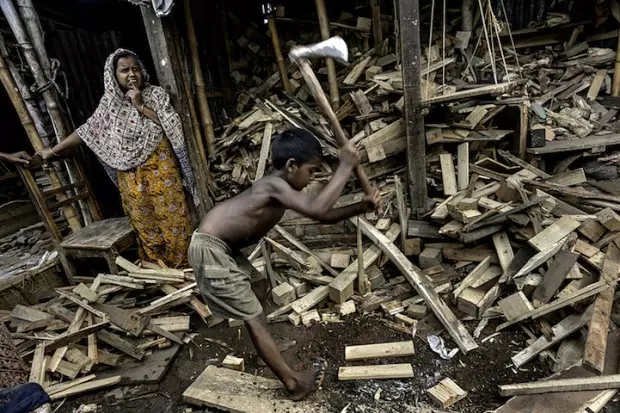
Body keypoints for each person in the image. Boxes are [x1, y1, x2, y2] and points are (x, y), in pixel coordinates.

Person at [188, 128, 381, 400]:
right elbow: (318, 209)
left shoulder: (282, 189)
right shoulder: (273, 185)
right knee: (253, 315)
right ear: (291, 166)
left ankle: (263, 346)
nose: (312, 178)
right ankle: (293, 383)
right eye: (311, 171)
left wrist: (361, 208)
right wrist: (346, 166)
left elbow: (322, 217)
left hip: (224, 248)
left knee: (258, 286)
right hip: (211, 249)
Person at [36, 49, 194, 268]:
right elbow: (87, 131)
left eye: (135, 69)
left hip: (161, 168)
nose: (131, 74)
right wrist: (52, 151)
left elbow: (170, 123)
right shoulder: (109, 105)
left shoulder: (155, 95)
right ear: (113, 75)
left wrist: (140, 105)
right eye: (124, 70)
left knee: (174, 219)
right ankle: (158, 272)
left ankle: (183, 269)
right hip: (130, 177)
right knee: (144, 224)